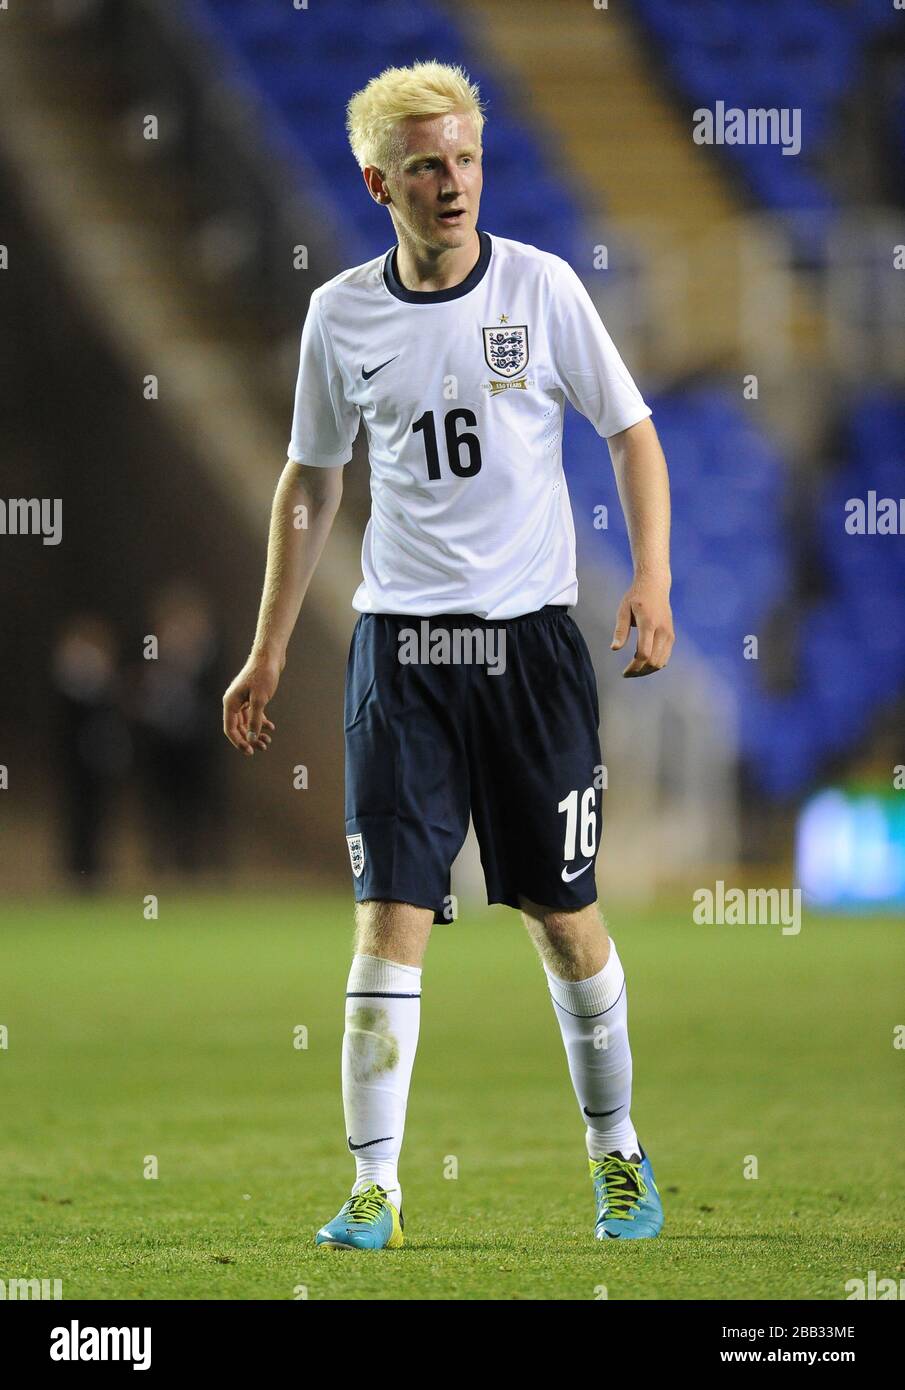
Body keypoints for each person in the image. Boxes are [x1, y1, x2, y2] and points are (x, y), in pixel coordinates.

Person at [223, 61, 675, 1249]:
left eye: (466, 157)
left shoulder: (540, 288)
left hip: (529, 653)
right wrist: (267, 649)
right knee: (388, 916)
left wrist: (652, 575)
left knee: (563, 919)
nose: (453, 181)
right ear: (379, 182)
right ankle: (373, 1184)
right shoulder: (340, 316)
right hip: (401, 656)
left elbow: (630, 431)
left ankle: (616, 1155)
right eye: (426, 163)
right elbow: (309, 483)